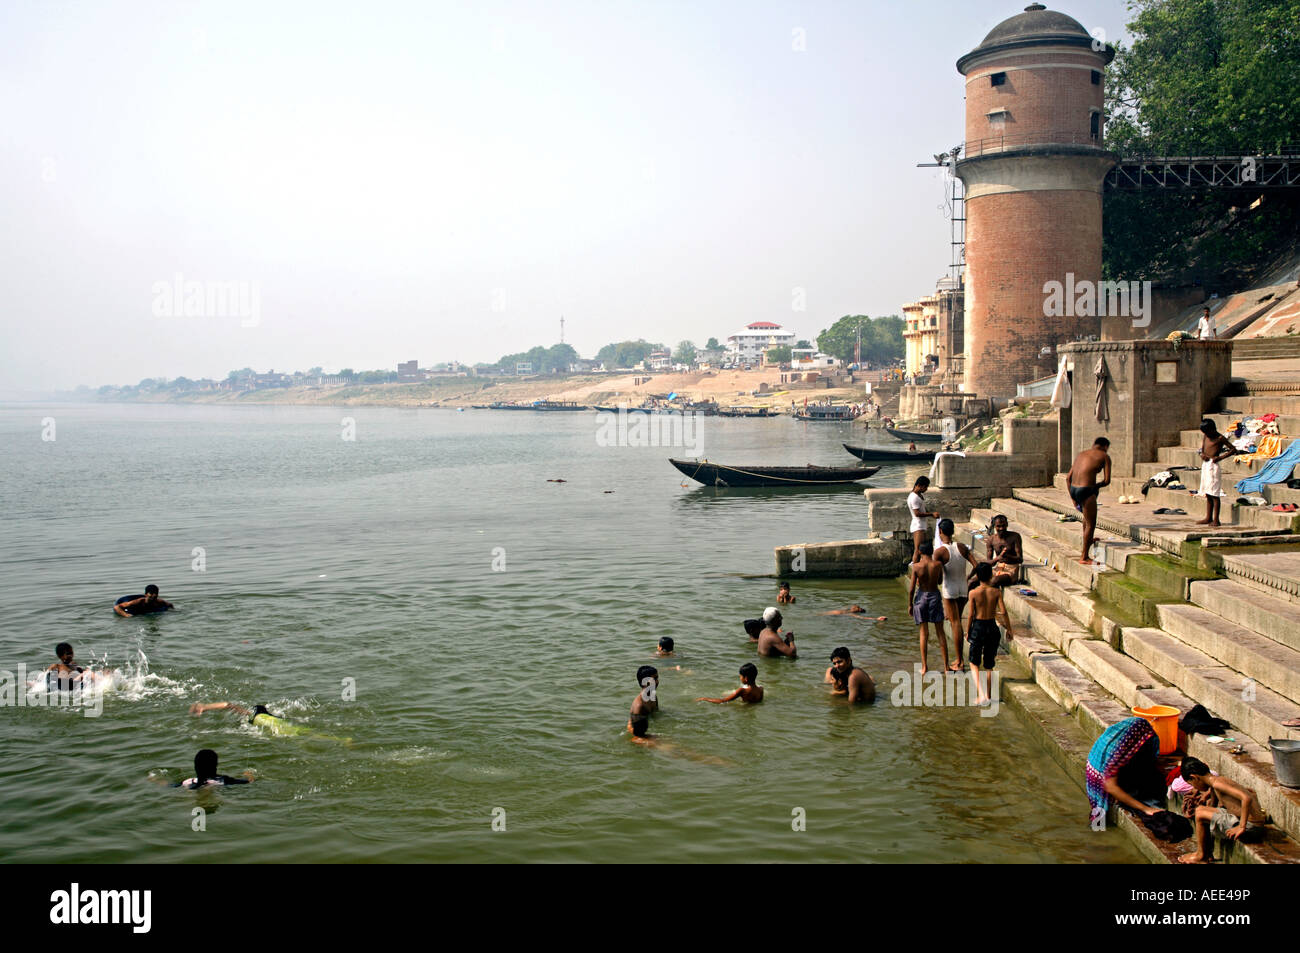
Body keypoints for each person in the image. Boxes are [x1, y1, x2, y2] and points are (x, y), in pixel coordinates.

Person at [1177, 757, 1267, 863]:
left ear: (1194, 778)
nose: (1194, 788)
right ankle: (1207, 854)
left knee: (1200, 815)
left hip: (1251, 826)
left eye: (1191, 784)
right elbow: (1213, 805)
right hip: (1244, 820)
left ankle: (1201, 856)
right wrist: (1209, 796)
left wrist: (1241, 827)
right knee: (1200, 810)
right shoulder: (1216, 781)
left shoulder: (1217, 784)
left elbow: (1246, 798)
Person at [1085, 716, 1166, 823]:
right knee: (1098, 824)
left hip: (1096, 768)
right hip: (1100, 781)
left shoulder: (1125, 735)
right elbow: (1111, 787)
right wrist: (1146, 809)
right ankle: (1098, 828)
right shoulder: (1117, 755)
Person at [966, 563, 1013, 705]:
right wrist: (1009, 629)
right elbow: (1004, 612)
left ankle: (981, 695)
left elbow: (970, 615)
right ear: (991, 576)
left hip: (979, 626)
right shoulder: (996, 592)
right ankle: (989, 695)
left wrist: (968, 631)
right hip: (992, 626)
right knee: (989, 664)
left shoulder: (973, 593)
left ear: (977, 577)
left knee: (974, 662)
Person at [935, 518, 978, 672]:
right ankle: (959, 659)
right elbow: (977, 566)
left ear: (940, 532)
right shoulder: (962, 547)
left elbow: (939, 576)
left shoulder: (939, 552)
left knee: (955, 624)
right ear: (952, 531)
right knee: (957, 621)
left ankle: (959, 661)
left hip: (949, 589)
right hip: (963, 588)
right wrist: (969, 578)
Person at [1066, 437, 1111, 564]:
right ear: (1105, 446)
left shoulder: (1081, 454)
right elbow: (1107, 481)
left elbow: (1068, 478)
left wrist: (1073, 498)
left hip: (1074, 489)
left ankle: (1088, 540)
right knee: (1091, 523)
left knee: (1086, 518)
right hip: (1086, 490)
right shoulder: (1104, 456)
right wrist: (1096, 486)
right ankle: (1084, 557)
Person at [908, 541, 948, 674]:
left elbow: (912, 588)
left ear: (920, 552)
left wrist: (910, 605)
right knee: (940, 632)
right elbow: (940, 581)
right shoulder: (937, 565)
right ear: (931, 551)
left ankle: (925, 667)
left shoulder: (916, 566)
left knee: (923, 633)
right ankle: (946, 667)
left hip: (921, 597)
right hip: (934, 596)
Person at [1196, 418, 1236, 527]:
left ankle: (1216, 520)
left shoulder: (1220, 438)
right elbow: (1202, 449)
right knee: (1207, 492)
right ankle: (1208, 517)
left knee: (1214, 494)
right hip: (1206, 464)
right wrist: (1202, 455)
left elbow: (1233, 449)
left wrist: (1220, 457)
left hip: (1213, 466)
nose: (1206, 434)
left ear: (1212, 429)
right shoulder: (1206, 436)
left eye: (1207, 432)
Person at [169, 750, 254, 790]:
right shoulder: (224, 780)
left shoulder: (187, 782)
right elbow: (250, 781)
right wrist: (249, 775)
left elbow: (169, 786)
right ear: (215, 766)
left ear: (195, 767)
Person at [982, 514, 1023, 586]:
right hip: (998, 567)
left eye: (1003, 526)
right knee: (974, 580)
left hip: (1011, 570)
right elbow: (989, 563)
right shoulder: (991, 539)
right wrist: (998, 558)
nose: (1001, 528)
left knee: (994, 580)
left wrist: (1007, 556)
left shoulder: (1015, 537)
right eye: (998, 526)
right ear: (994, 526)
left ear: (1007, 525)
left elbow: (1020, 559)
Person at [697, 663, 764, 704]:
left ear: (745, 678)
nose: (740, 677)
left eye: (740, 676)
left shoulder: (742, 690)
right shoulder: (761, 689)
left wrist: (705, 699)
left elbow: (723, 701)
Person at [908, 476, 939, 560]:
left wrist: (931, 514)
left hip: (921, 525)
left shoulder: (918, 495)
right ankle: (915, 569)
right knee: (918, 550)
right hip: (918, 526)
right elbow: (917, 513)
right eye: (926, 487)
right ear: (919, 485)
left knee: (921, 549)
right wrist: (931, 514)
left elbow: (923, 509)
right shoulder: (914, 497)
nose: (926, 489)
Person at [628, 665, 659, 737]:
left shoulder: (653, 695)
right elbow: (633, 730)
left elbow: (657, 713)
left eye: (657, 678)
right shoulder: (639, 705)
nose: (657, 682)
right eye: (654, 679)